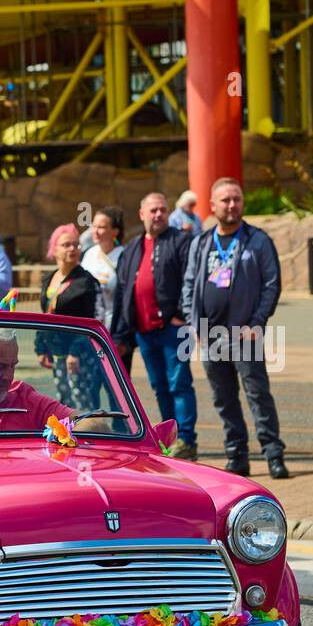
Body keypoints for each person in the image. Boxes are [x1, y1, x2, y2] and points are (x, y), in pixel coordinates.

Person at [182, 178, 287, 479]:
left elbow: (271, 285)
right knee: (223, 398)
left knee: (257, 395)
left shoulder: (258, 240)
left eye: (236, 199)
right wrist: (193, 324)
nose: (231, 205)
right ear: (213, 206)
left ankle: (273, 455)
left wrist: (256, 323)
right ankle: (236, 455)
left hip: (245, 335)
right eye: (225, 200)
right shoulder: (201, 242)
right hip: (210, 335)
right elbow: (189, 285)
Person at [112, 191, 197, 460]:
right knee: (159, 386)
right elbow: (123, 291)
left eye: (162, 209)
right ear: (142, 214)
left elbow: (190, 280)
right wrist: (121, 333)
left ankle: (185, 439)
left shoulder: (181, 241)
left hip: (173, 330)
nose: (158, 214)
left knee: (179, 383)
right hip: (144, 332)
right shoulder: (131, 248)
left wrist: (182, 314)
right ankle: (170, 437)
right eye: (153, 210)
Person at [35, 223, 101, 410]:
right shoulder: (49, 279)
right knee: (64, 403)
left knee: (83, 403)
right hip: (57, 352)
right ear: (54, 249)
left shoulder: (86, 282)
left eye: (76, 244)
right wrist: (40, 347)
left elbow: (92, 321)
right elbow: (46, 314)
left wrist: (76, 351)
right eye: (66, 245)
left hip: (79, 354)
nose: (72, 249)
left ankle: (91, 438)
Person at [82, 206, 134, 375]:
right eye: (94, 226)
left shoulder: (125, 256)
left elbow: (129, 300)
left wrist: (122, 338)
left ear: (115, 232)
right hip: (90, 334)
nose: (95, 231)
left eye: (102, 227)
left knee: (117, 391)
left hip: (114, 335)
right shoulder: (89, 254)